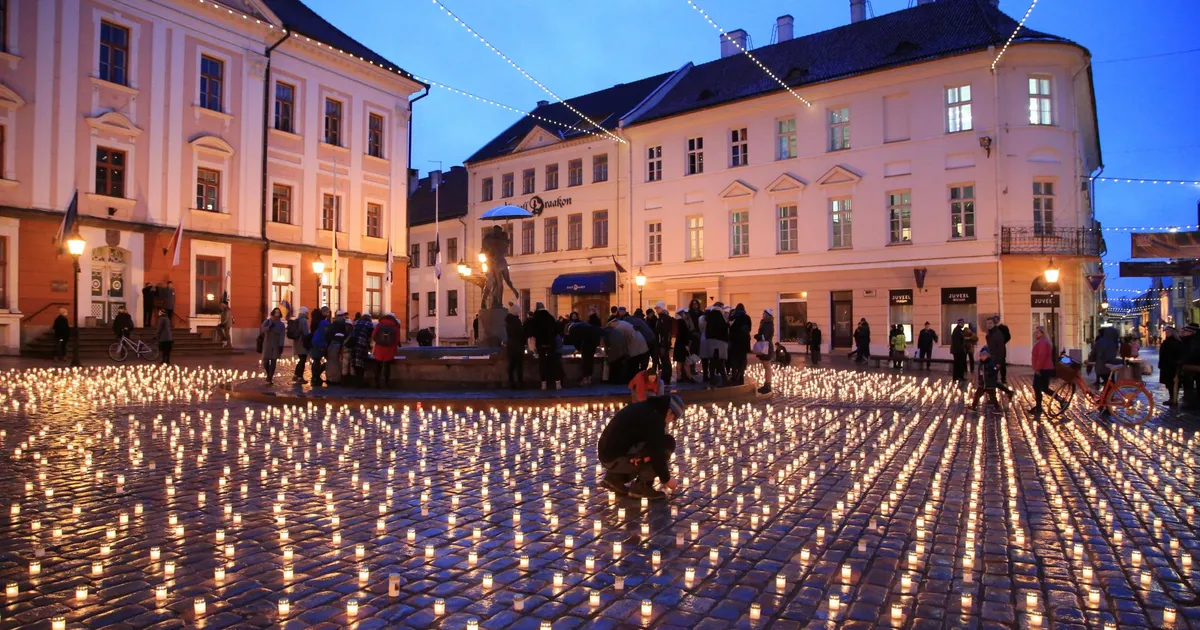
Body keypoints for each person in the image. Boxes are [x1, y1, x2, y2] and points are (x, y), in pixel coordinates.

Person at [597, 394, 684, 500]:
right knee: (667, 443)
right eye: (673, 418)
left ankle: (615, 478)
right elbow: (657, 452)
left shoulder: (647, 408)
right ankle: (642, 486)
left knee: (651, 446)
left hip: (607, 454)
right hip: (616, 459)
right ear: (670, 411)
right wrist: (667, 479)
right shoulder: (654, 418)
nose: (671, 421)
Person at [524, 302, 562, 391]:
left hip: (540, 344)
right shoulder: (550, 317)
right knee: (554, 363)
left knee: (542, 364)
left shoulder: (534, 319)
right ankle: (557, 383)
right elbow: (557, 330)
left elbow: (531, 332)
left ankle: (543, 384)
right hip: (551, 343)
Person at [969, 346, 1013, 412]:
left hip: (990, 384)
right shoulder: (981, 363)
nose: (982, 357)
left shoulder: (990, 363)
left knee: (993, 397)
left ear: (988, 355)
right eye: (981, 355)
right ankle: (973, 406)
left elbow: (994, 370)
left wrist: (995, 369)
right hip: (982, 384)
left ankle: (997, 408)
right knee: (977, 395)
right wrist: (979, 379)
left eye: (984, 355)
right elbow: (980, 372)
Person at [700, 303, 730, 386]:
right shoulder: (719, 316)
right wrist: (728, 325)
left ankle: (712, 378)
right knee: (719, 361)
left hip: (709, 341)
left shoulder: (708, 317)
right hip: (719, 342)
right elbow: (722, 327)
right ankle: (723, 379)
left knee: (712, 361)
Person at [566, 320, 602, 386]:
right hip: (594, 342)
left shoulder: (572, 329)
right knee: (590, 360)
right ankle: (589, 378)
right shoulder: (580, 325)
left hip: (586, 344)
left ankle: (585, 379)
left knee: (585, 361)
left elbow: (575, 341)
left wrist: (579, 349)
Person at [1029, 325, 1055, 415]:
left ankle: (1039, 407)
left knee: (1038, 387)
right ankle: (1039, 406)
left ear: (1043, 333)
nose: (1035, 334)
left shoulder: (1043, 343)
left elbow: (1041, 357)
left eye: (1037, 332)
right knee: (1042, 388)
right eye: (1035, 332)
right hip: (1045, 368)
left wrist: (1037, 369)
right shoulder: (1042, 342)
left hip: (1043, 369)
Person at [372, 313, 401, 388]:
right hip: (389, 349)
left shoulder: (379, 324)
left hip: (379, 348)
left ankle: (377, 383)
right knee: (387, 367)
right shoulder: (395, 326)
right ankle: (386, 383)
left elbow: (373, 335)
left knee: (378, 366)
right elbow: (397, 340)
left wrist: (378, 341)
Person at [728, 303, 753, 386]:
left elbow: (730, 329)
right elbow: (749, 329)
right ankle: (741, 375)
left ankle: (734, 376)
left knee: (734, 359)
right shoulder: (747, 317)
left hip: (735, 342)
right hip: (744, 342)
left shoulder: (733, 317)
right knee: (742, 360)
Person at [260, 307, 286, 384]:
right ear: (273, 313)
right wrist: (269, 327)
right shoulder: (268, 321)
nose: (277, 314)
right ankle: (268, 374)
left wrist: (281, 345)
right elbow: (262, 329)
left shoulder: (281, 324)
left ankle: (270, 378)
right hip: (267, 343)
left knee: (273, 361)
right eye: (275, 312)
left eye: (278, 312)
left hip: (276, 344)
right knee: (265, 361)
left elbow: (282, 335)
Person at [349, 314, 375, 386]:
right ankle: (360, 382)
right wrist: (370, 346)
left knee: (355, 363)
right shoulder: (369, 324)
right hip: (362, 344)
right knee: (361, 363)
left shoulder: (356, 322)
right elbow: (371, 336)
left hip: (353, 344)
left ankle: (355, 381)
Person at [505, 305, 527, 389]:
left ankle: (511, 382)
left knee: (511, 365)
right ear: (515, 312)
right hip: (518, 345)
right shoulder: (516, 321)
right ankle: (520, 383)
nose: (519, 313)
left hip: (510, 345)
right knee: (519, 365)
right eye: (518, 311)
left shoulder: (508, 320)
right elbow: (521, 333)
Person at [1160, 325, 1183, 406]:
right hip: (1166, 366)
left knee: (1172, 382)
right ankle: (1172, 398)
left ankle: (1173, 399)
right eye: (1166, 332)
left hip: (1172, 366)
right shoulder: (1167, 342)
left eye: (1168, 332)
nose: (1167, 333)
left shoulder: (1176, 342)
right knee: (1169, 383)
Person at [985, 315, 1011, 384]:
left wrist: (1001, 343)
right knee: (993, 374)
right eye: (987, 323)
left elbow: (1007, 338)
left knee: (1000, 367)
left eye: (990, 323)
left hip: (998, 355)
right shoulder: (990, 332)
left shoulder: (1000, 330)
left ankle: (1003, 379)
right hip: (994, 356)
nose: (989, 325)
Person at [326, 310, 350, 385]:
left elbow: (328, 334)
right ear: (343, 315)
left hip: (331, 345)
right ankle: (337, 379)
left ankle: (330, 378)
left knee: (331, 362)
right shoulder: (345, 323)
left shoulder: (333, 324)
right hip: (340, 345)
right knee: (339, 363)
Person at [603, 318, 630, 384]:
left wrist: (606, 352)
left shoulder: (606, 332)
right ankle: (619, 380)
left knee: (613, 366)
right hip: (622, 351)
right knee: (618, 366)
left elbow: (606, 344)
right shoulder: (616, 331)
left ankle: (612, 381)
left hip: (615, 350)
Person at [309, 307, 331, 386]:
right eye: (327, 312)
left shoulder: (316, 320)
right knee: (319, 361)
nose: (328, 314)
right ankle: (316, 377)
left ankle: (315, 377)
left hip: (314, 341)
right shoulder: (323, 322)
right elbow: (328, 332)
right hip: (320, 342)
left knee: (316, 361)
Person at [289, 306, 311, 384]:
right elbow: (306, 333)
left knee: (301, 359)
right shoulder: (304, 321)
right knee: (303, 360)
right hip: (302, 343)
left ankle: (296, 375)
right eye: (307, 312)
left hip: (296, 343)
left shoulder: (297, 320)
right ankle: (299, 377)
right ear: (305, 313)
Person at [755, 309, 775, 394]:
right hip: (765, 346)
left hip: (766, 347)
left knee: (767, 366)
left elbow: (765, 336)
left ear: (767, 315)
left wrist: (758, 336)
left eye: (764, 313)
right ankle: (766, 384)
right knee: (766, 366)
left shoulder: (768, 324)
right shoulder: (765, 323)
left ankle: (768, 385)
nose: (762, 314)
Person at [672, 308, 694, 384]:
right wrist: (686, 344)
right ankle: (687, 376)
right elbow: (683, 335)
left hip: (679, 344)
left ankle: (680, 377)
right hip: (682, 345)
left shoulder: (678, 322)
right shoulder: (682, 322)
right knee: (684, 361)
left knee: (680, 362)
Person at [654, 303, 674, 385]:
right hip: (663, 342)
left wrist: (663, 344)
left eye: (658, 308)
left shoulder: (664, 318)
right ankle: (665, 377)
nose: (656, 310)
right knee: (664, 360)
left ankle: (666, 378)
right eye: (656, 308)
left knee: (665, 360)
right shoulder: (662, 318)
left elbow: (664, 333)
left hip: (663, 343)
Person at [950, 319, 968, 388]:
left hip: (959, 350)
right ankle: (957, 377)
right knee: (958, 364)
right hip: (958, 351)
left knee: (960, 364)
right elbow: (957, 342)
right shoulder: (957, 330)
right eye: (963, 323)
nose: (963, 324)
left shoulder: (959, 330)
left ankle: (960, 376)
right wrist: (961, 350)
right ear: (960, 323)